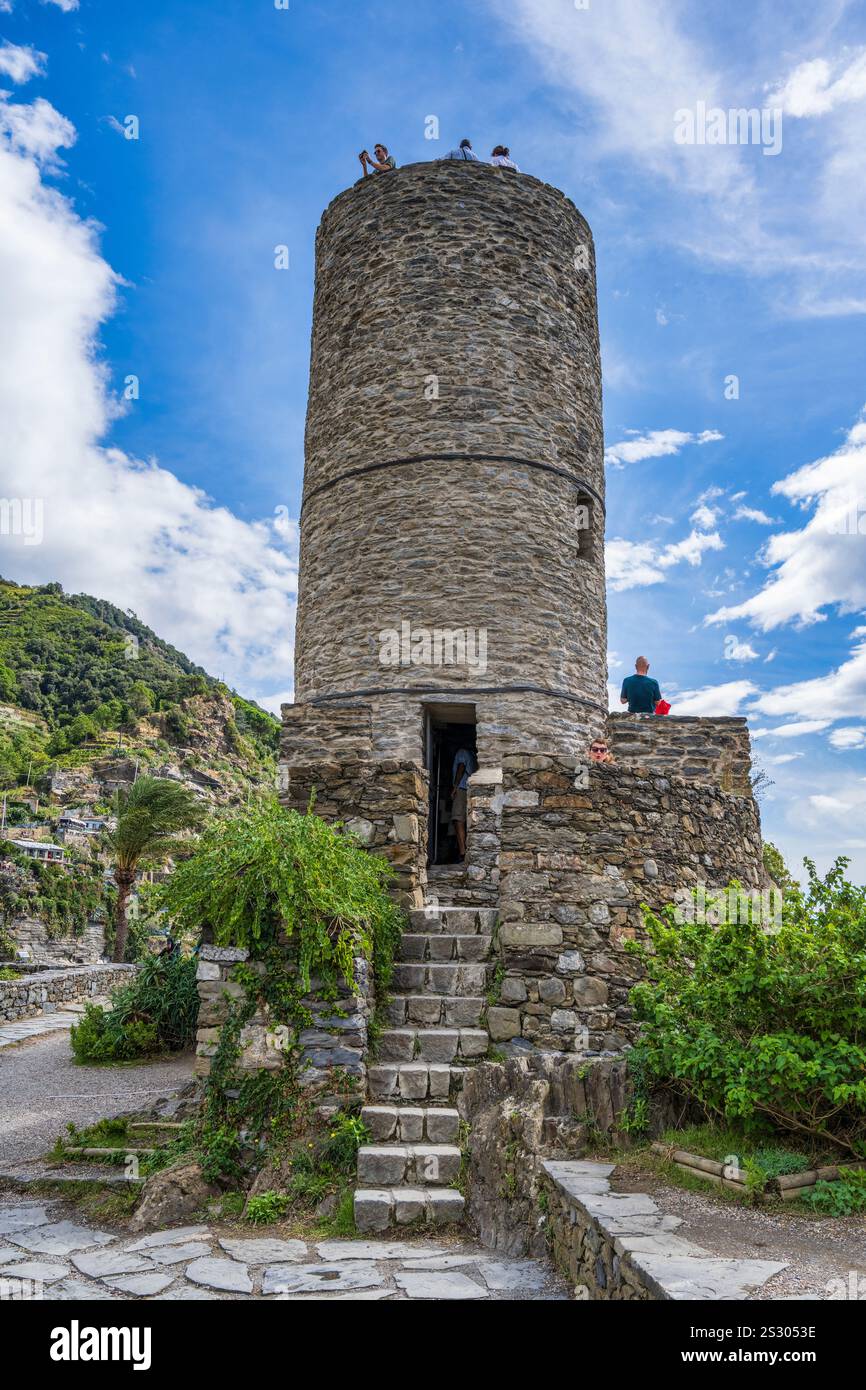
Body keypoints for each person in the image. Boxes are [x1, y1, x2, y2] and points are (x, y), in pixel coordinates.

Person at [450, 744, 478, 857]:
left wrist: (455, 787)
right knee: (469, 819)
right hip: (471, 789)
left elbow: (461, 767)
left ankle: (462, 852)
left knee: (458, 819)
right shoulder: (473, 755)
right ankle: (467, 850)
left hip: (462, 788)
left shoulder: (462, 751)